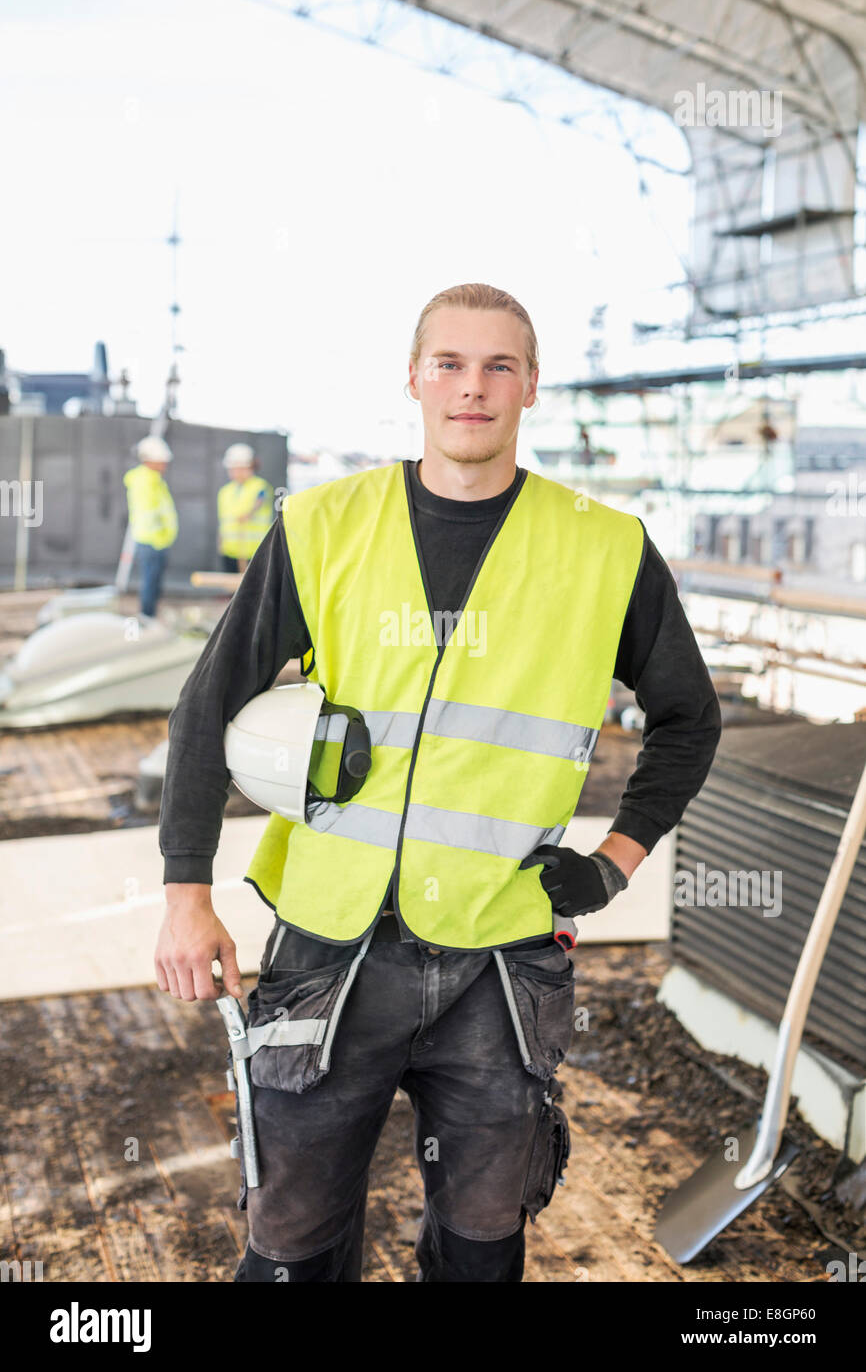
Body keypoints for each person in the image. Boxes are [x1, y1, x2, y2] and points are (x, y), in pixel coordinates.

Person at [155, 282, 722, 1283]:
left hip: (499, 962)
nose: (473, 388)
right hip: (329, 949)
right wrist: (185, 897)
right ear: (412, 378)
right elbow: (207, 706)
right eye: (449, 364)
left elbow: (688, 718)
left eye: (498, 365)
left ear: (531, 386)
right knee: (288, 1242)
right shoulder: (324, 523)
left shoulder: (603, 547)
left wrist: (612, 863)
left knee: (480, 1241)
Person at [123, 436, 178, 619]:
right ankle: (147, 617)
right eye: (161, 460)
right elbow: (150, 513)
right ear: (149, 459)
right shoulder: (145, 481)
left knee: (154, 583)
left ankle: (150, 615)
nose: (164, 464)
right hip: (152, 541)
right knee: (150, 582)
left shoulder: (154, 479)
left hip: (158, 540)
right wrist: (161, 535)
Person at [217, 443, 274, 574]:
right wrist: (220, 542)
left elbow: (260, 500)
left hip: (253, 551)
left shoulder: (260, 486)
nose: (236, 472)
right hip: (229, 550)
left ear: (250, 467)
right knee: (233, 590)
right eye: (233, 469)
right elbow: (223, 521)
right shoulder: (225, 491)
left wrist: (249, 513)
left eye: (240, 468)